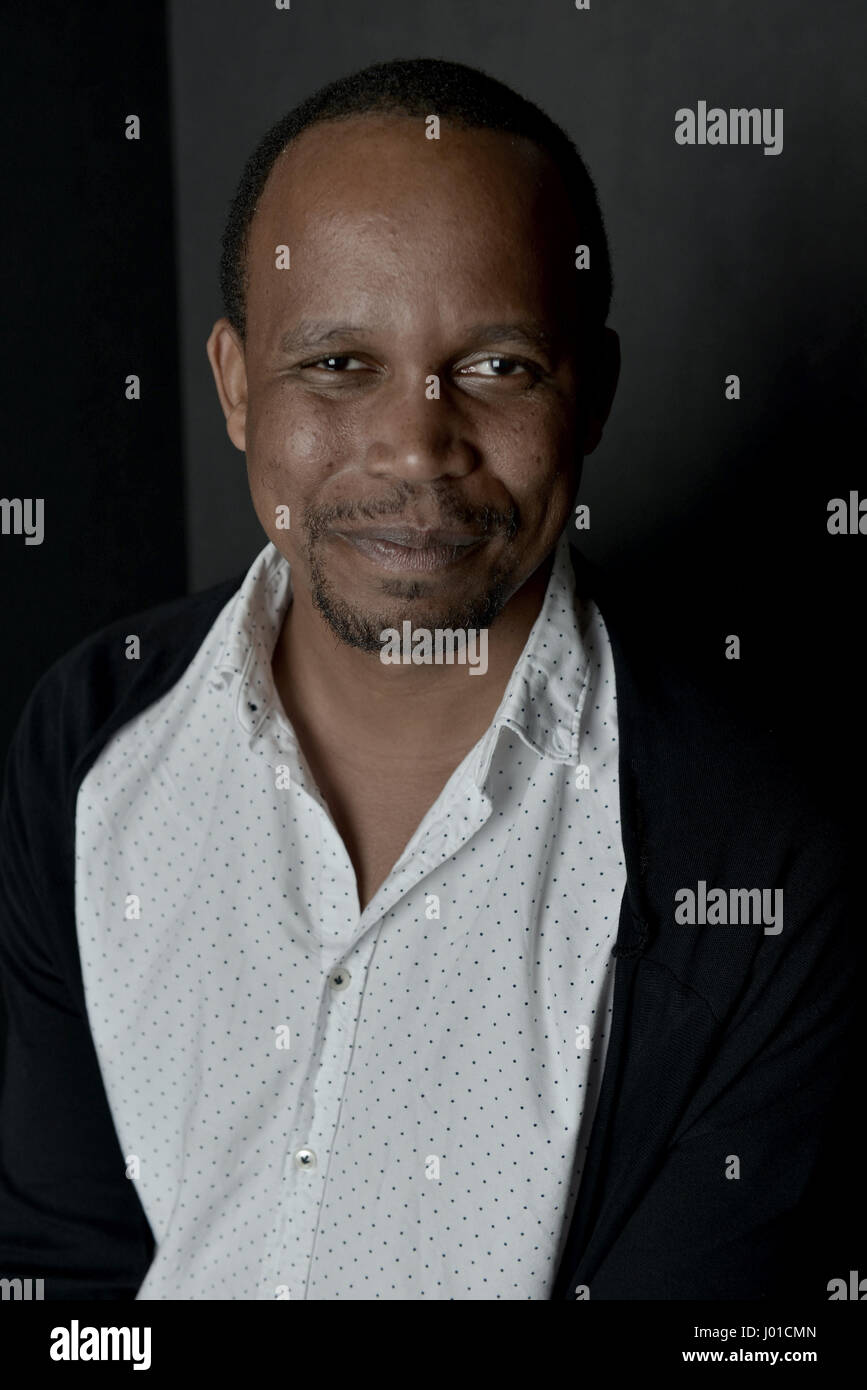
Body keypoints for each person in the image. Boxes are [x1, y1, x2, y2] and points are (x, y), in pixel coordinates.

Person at [0, 58, 853, 1301]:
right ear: (237, 385)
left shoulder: (760, 861)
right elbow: (63, 1275)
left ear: (592, 397)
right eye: (339, 365)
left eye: (501, 366)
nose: (416, 445)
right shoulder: (88, 737)